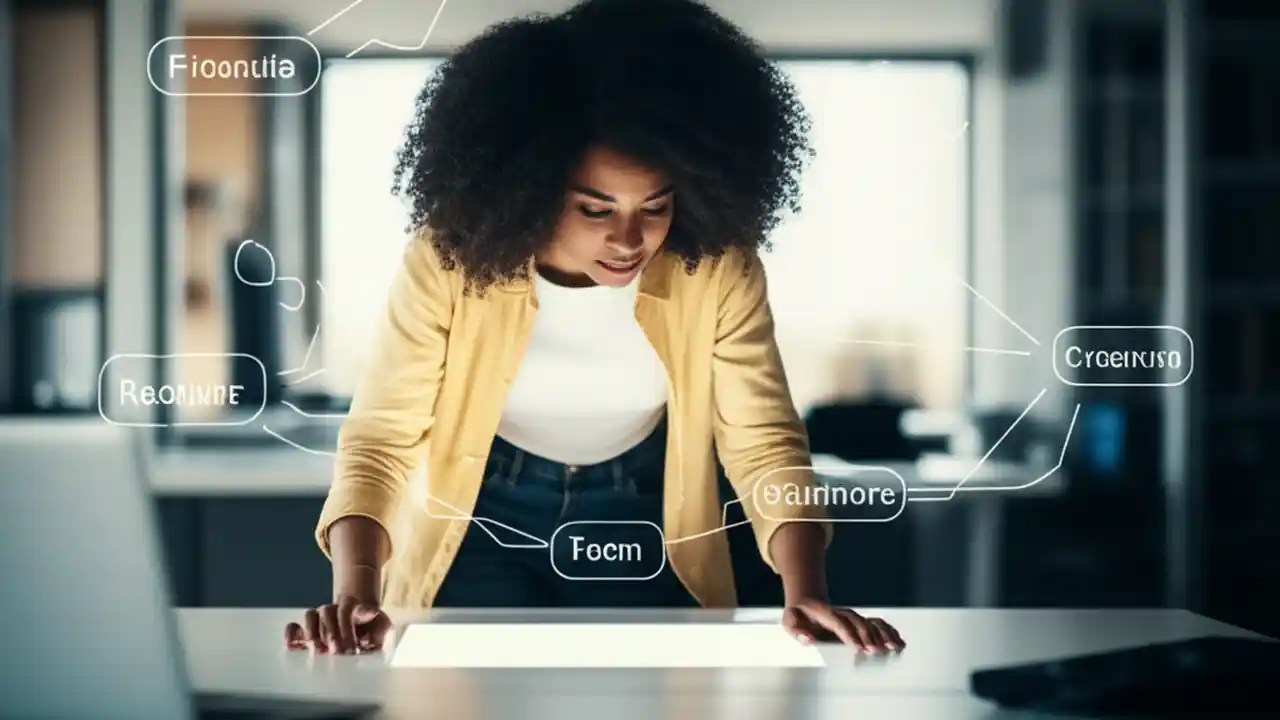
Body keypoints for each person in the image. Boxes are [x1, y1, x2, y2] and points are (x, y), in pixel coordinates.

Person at [286, 0, 905, 657]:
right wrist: (358, 588)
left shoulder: (717, 267)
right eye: (595, 208)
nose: (630, 238)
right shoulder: (449, 259)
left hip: (641, 507)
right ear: (527, 186)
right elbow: (383, 436)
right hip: (479, 514)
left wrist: (805, 589)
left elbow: (763, 443)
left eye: (656, 206)